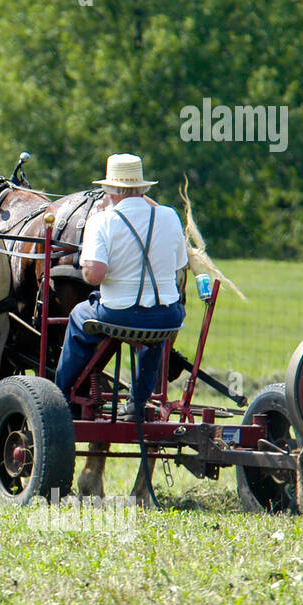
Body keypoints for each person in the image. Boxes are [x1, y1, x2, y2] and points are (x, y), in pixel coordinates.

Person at [53, 153, 188, 417]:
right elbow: (178, 263)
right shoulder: (170, 216)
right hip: (168, 317)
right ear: (143, 188)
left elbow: (94, 276)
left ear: (108, 190)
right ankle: (138, 402)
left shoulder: (102, 220)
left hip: (118, 314)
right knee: (154, 334)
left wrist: (87, 263)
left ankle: (61, 394)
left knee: (79, 316)